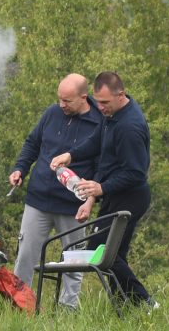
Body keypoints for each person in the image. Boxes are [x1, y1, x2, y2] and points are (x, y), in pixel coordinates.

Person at [51, 71, 154, 308]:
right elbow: (97, 143)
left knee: (102, 252)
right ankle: (125, 308)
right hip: (114, 195)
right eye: (98, 101)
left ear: (121, 95)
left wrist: (101, 188)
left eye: (105, 102)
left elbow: (135, 173)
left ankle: (146, 303)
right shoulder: (112, 115)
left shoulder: (129, 127)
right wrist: (71, 155)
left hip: (131, 197)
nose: (100, 107)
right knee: (113, 256)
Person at [8, 73, 102, 309]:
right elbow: (32, 143)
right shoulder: (52, 113)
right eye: (59, 99)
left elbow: (102, 167)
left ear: (83, 97)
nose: (61, 104)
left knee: (74, 260)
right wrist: (20, 169)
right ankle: (20, 306)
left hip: (72, 206)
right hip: (38, 199)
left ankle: (67, 309)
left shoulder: (99, 124)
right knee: (25, 255)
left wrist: (90, 200)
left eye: (67, 101)